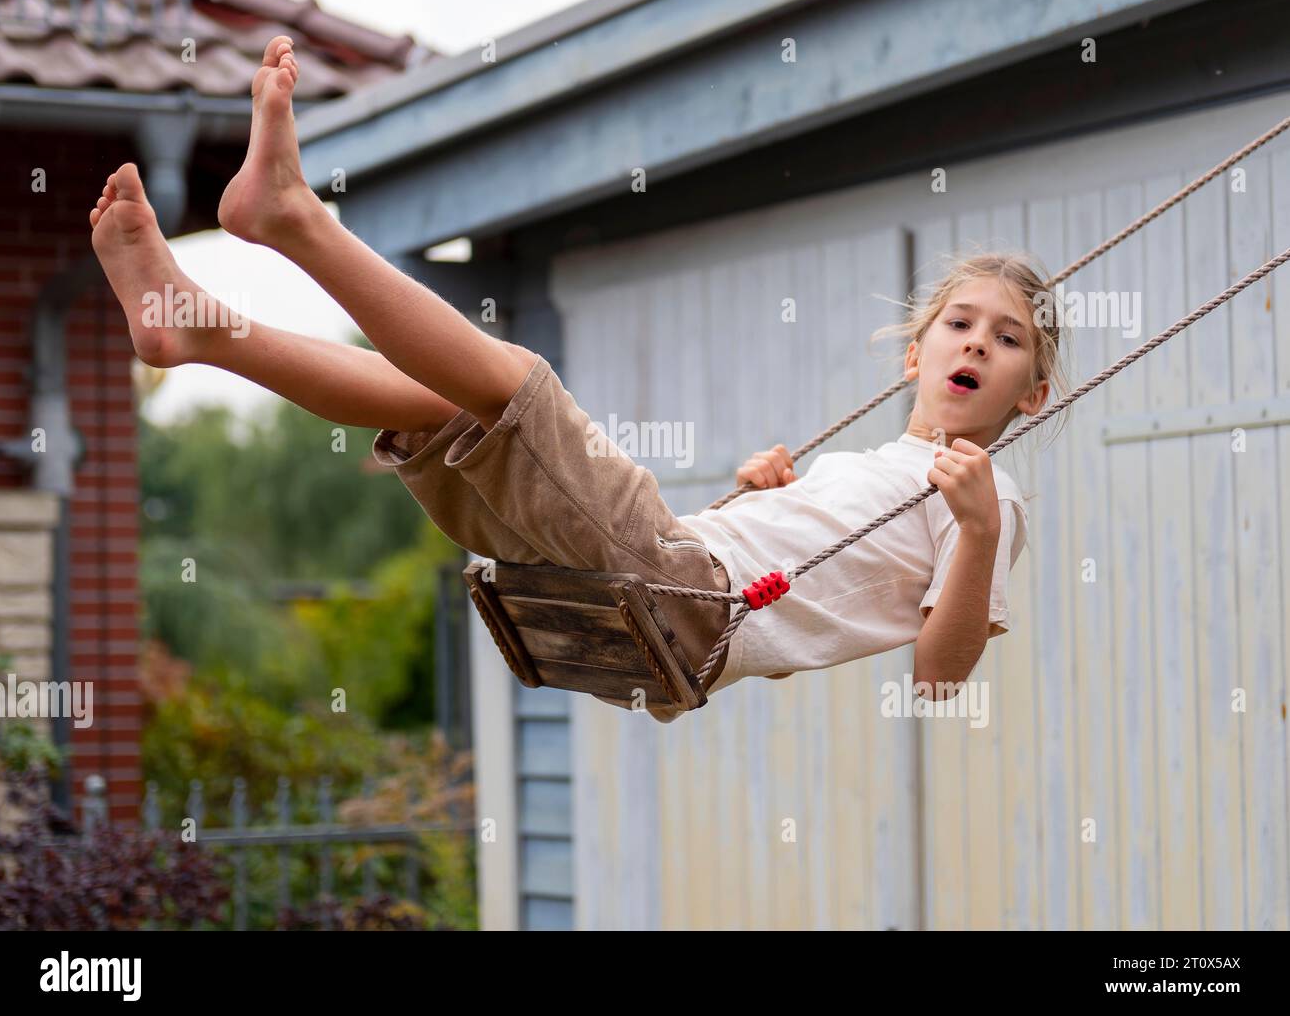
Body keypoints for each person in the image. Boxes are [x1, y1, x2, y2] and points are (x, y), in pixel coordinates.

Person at [89, 37, 1066, 724]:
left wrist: (976, 528)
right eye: (959, 322)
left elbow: (939, 683)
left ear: (1031, 392)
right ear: (915, 353)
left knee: (517, 382)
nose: (976, 342)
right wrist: (757, 499)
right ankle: (200, 333)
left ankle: (296, 218)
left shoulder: (988, 502)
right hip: (659, 591)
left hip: (682, 607)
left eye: (1009, 339)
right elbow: (797, 577)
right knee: (442, 406)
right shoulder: (873, 466)